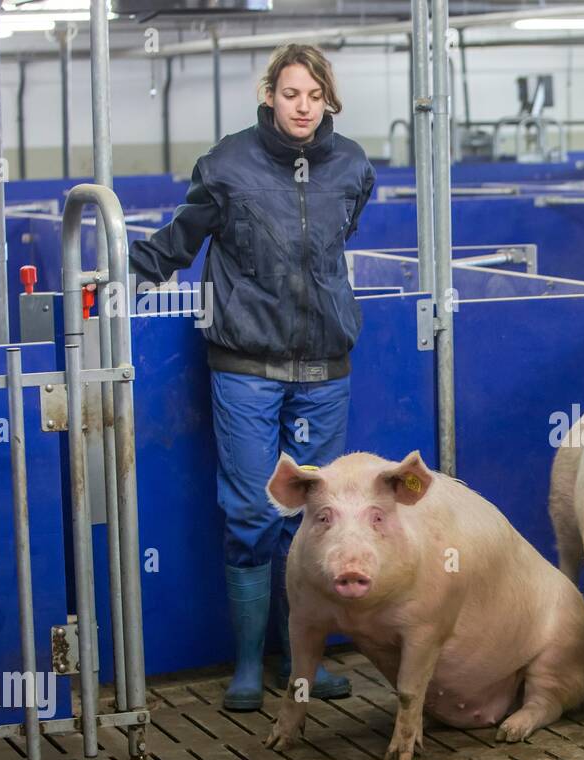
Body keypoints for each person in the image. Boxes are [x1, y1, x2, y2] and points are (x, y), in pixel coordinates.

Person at [130, 44, 376, 710]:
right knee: (249, 512)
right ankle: (246, 662)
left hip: (324, 367)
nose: (303, 106)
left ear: (328, 100)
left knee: (318, 517)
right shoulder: (227, 166)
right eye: (291, 93)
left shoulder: (352, 165)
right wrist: (120, 276)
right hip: (245, 365)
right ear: (269, 94)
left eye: (315, 95)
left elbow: (333, 242)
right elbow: (180, 240)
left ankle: (306, 662)